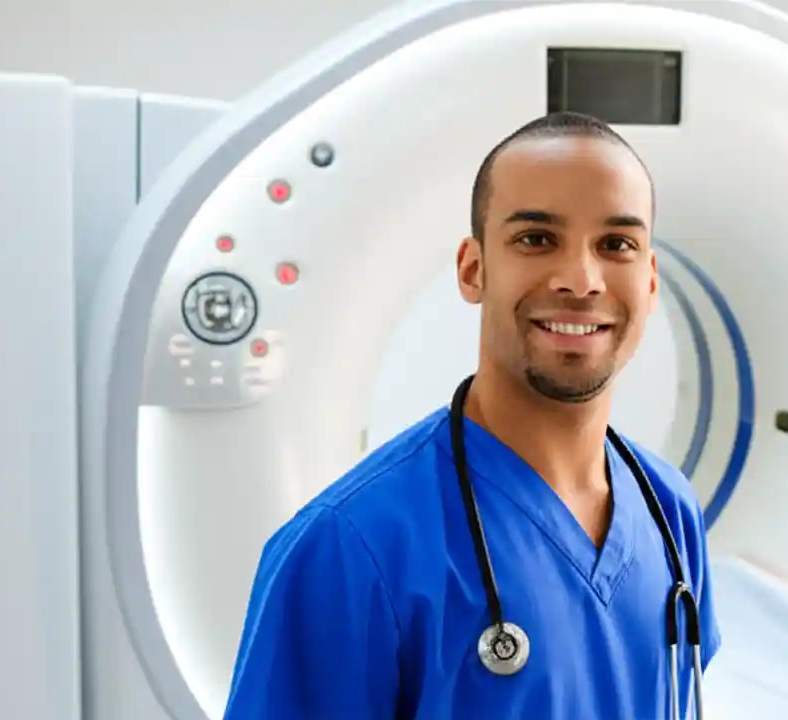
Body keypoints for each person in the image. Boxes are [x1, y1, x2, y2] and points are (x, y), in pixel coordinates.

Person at [223, 111, 720, 719]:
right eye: (537, 239)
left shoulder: (669, 510)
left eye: (615, 245)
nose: (581, 280)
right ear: (473, 268)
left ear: (648, 279)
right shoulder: (349, 547)